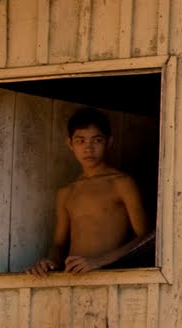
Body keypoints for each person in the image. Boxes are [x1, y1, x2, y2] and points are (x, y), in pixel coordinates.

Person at [28, 108, 155, 275]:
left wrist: (99, 262)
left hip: (109, 275)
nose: (88, 148)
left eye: (96, 140)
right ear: (70, 144)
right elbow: (59, 244)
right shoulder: (66, 192)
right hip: (73, 277)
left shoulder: (121, 183)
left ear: (109, 142)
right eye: (80, 141)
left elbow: (146, 238)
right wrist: (49, 262)